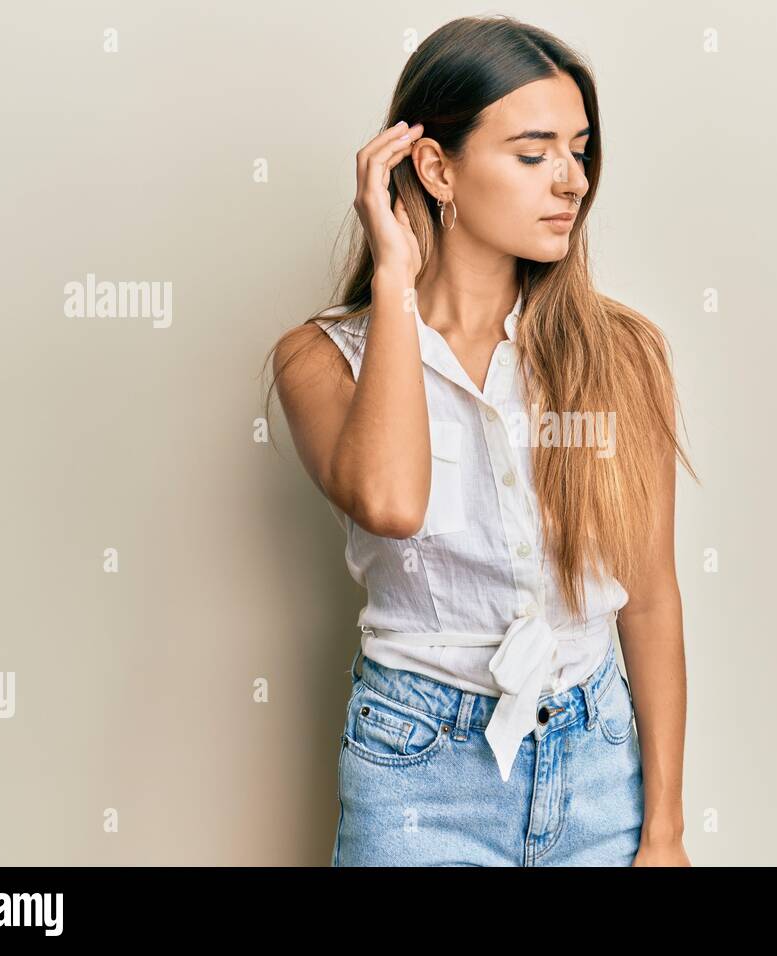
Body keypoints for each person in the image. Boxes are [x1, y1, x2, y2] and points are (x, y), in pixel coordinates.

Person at [267, 15, 696, 866]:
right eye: (534, 154)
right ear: (436, 169)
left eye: (580, 151)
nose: (571, 180)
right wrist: (394, 278)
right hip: (418, 773)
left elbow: (648, 597)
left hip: (600, 766)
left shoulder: (622, 353)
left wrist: (666, 831)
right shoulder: (321, 359)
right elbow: (391, 504)